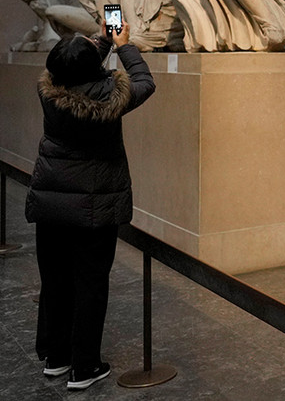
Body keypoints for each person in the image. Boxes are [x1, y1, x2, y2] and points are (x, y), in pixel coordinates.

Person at [25, 21, 156, 391]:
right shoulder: (109, 97)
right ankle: (84, 367)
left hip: (51, 200)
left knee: (56, 281)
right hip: (94, 205)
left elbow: (74, 67)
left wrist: (101, 41)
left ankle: (56, 357)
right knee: (90, 285)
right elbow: (144, 82)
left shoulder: (49, 89)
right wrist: (124, 46)